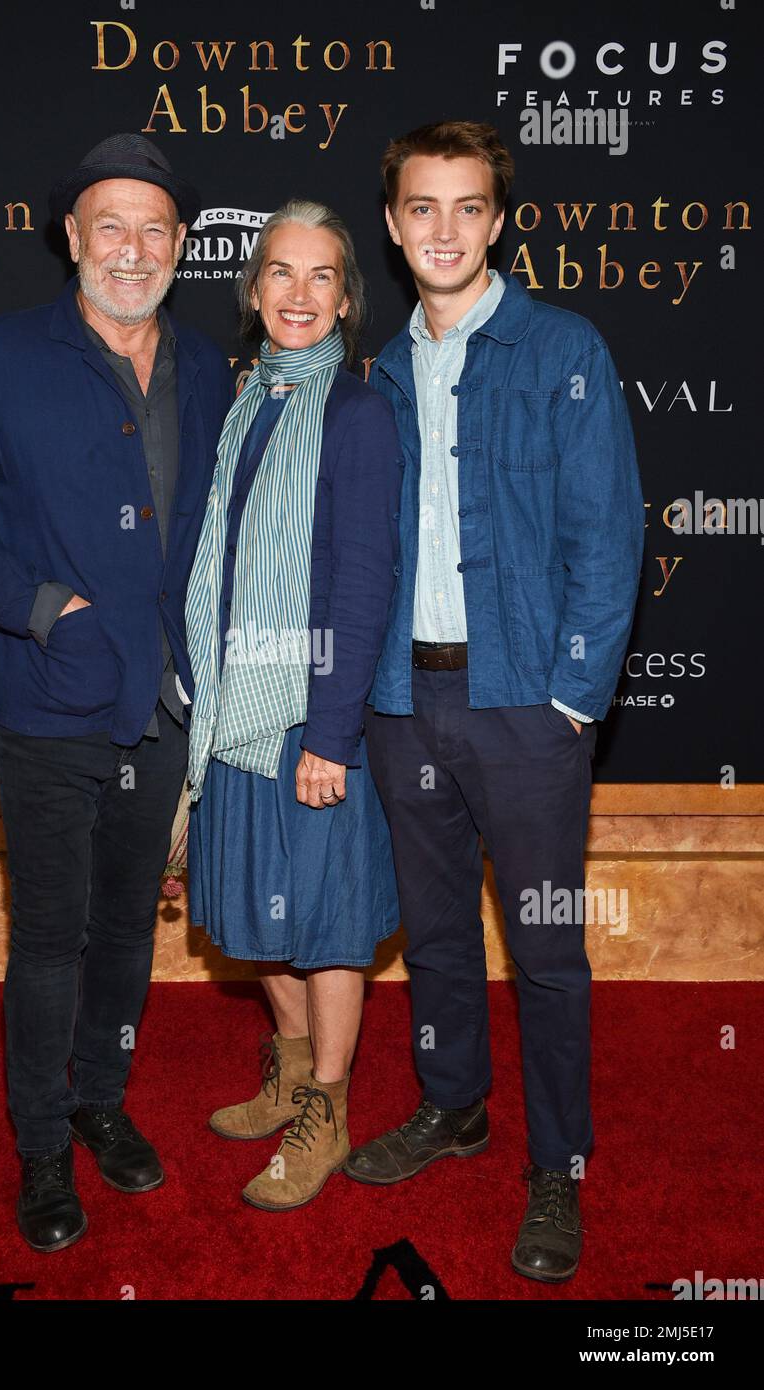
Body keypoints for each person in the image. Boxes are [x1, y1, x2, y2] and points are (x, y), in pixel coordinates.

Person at [0, 133, 235, 1253]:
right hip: (46, 700)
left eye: (155, 229)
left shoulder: (209, 367)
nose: (132, 249)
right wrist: (42, 606)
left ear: (181, 246)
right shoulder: (0, 358)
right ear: (73, 237)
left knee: (129, 926)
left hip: (168, 708)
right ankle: (40, 1143)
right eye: (110, 225)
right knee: (50, 936)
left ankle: (101, 1099)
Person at [346, 122, 645, 1283]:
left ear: (500, 218)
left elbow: (607, 534)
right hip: (401, 698)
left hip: (526, 708)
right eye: (422, 208)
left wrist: (571, 701)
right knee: (431, 940)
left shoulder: (563, 347)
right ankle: (454, 1104)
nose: (444, 231)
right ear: (391, 223)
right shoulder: (377, 374)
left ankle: (558, 1163)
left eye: (468, 207)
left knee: (549, 950)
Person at [185, 200, 404, 1211]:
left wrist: (332, 735)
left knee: (323, 922)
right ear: (255, 288)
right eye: (281, 273)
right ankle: (288, 1065)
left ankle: (328, 1104)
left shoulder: (355, 413)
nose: (300, 294)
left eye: (323, 277)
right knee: (254, 917)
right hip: (234, 712)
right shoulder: (248, 399)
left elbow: (364, 582)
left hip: (305, 719)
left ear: (349, 298)